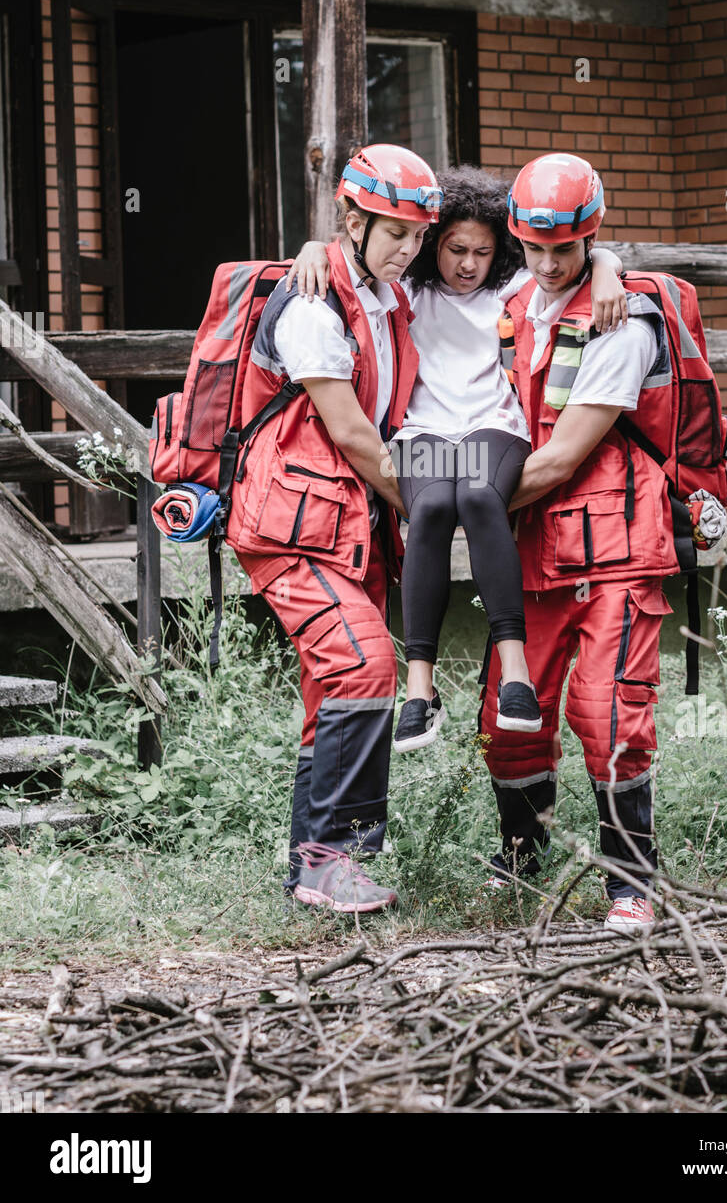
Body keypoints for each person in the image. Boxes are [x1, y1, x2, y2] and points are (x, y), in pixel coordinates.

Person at [290, 165, 628, 753]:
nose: (467, 264)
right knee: (430, 512)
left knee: (475, 494)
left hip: (496, 427)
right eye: (453, 249)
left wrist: (606, 268)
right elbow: (352, 255)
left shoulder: (512, 289)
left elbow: (571, 254)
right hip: (422, 432)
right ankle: (419, 690)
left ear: (501, 253)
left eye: (481, 251)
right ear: (432, 242)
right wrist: (311, 248)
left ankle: (514, 675)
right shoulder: (404, 291)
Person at [227, 142, 440, 915]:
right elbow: (352, 434)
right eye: (394, 234)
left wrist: (610, 268)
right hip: (292, 528)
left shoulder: (387, 299)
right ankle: (339, 858)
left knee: (332, 694)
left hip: (348, 529)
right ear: (350, 219)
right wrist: (426, 503)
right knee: (363, 667)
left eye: (419, 236)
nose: (409, 251)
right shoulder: (313, 305)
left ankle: (307, 874)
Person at [477, 152, 680, 934]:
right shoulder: (508, 297)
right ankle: (523, 859)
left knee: (609, 713)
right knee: (507, 715)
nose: (549, 263)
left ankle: (630, 883)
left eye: (566, 249)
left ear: (590, 236)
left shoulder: (622, 320)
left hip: (617, 540)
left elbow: (561, 456)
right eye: (533, 248)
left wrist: (463, 507)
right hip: (528, 546)